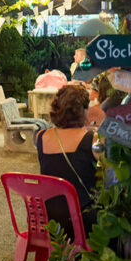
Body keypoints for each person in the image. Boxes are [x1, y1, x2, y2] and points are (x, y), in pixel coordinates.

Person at [36, 84, 98, 235]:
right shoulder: (92, 140)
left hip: (49, 221)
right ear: (82, 110)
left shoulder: (41, 137)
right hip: (81, 222)